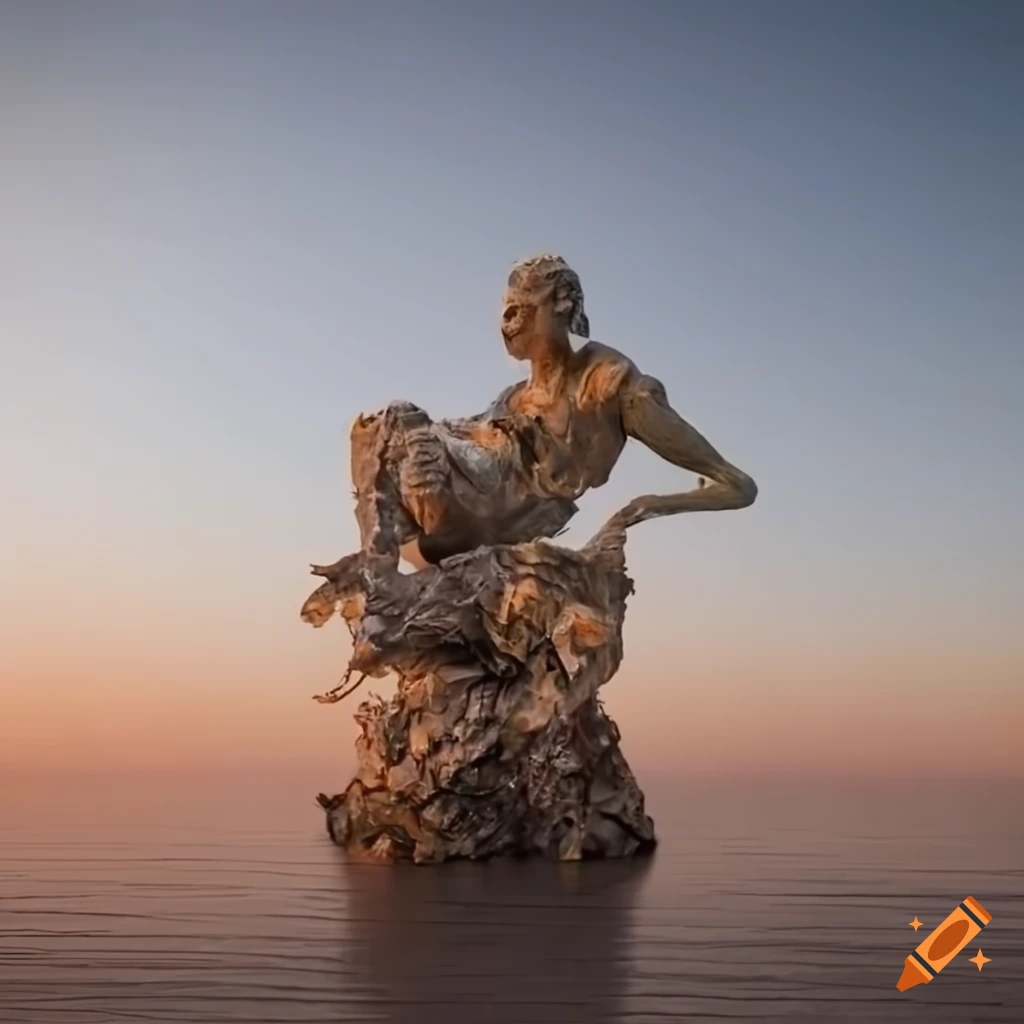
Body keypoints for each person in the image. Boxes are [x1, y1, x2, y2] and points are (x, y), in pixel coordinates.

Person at [302, 254, 756, 626]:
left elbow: (736, 486)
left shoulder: (608, 383)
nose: (506, 322)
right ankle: (378, 568)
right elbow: (471, 432)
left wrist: (640, 508)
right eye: (505, 307)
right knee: (386, 423)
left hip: (507, 512)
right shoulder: (513, 399)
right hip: (463, 510)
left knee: (402, 423)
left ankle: (383, 574)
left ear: (561, 303)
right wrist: (425, 441)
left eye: (521, 307)